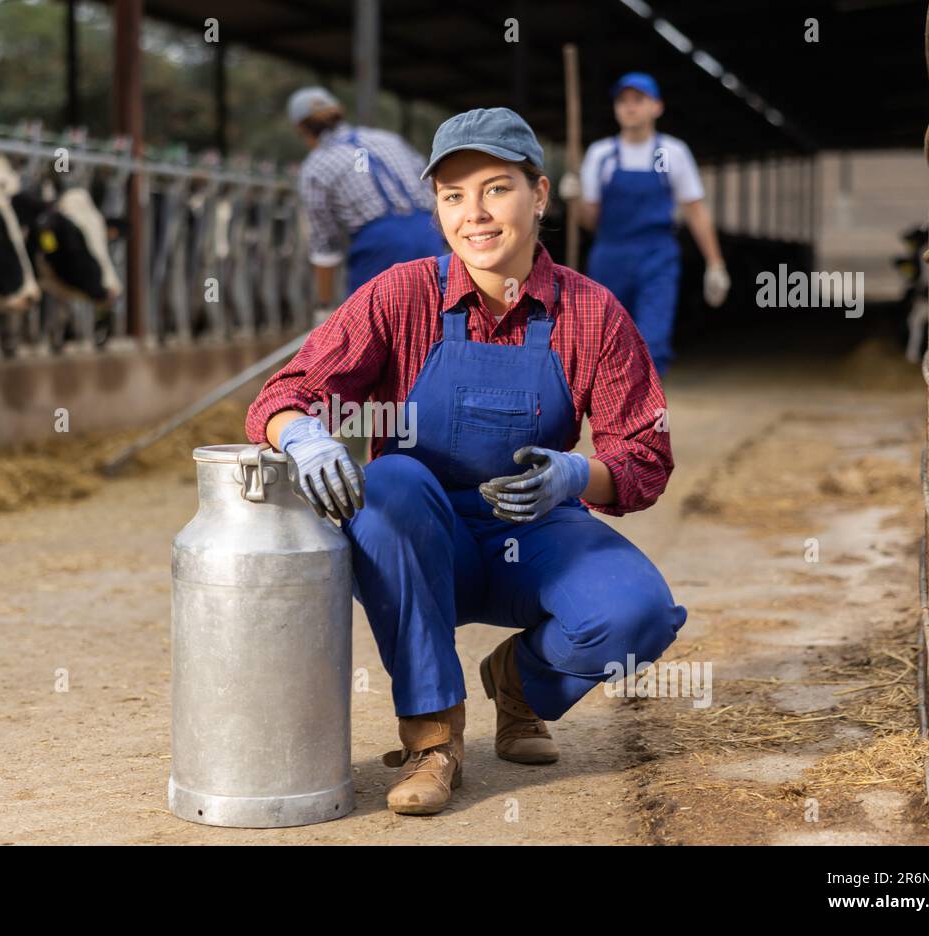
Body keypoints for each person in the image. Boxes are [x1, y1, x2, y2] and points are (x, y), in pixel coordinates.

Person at [245, 107, 687, 817]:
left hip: (536, 533)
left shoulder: (592, 312)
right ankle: (433, 738)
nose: (473, 214)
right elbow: (287, 392)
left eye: (495, 189)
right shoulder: (400, 295)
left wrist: (577, 475)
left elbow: (644, 455)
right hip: (421, 540)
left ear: (540, 194)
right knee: (386, 483)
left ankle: (520, 683)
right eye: (452, 195)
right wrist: (301, 434)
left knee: (640, 615)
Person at [560, 72, 730, 374]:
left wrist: (715, 263)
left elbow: (695, 211)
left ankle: (648, 417)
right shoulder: (601, 156)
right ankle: (612, 416)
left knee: (652, 340)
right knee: (604, 341)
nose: (630, 107)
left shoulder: (672, 153)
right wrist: (574, 200)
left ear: (657, 107)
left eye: (638, 100)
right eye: (623, 101)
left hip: (657, 256)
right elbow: (590, 222)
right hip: (610, 256)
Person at [287, 86, 447, 309]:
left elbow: (325, 247)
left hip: (379, 247)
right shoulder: (387, 139)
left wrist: (323, 306)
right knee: (431, 319)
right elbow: (434, 184)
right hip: (428, 232)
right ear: (338, 112)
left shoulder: (315, 166)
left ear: (302, 129)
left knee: (371, 330)